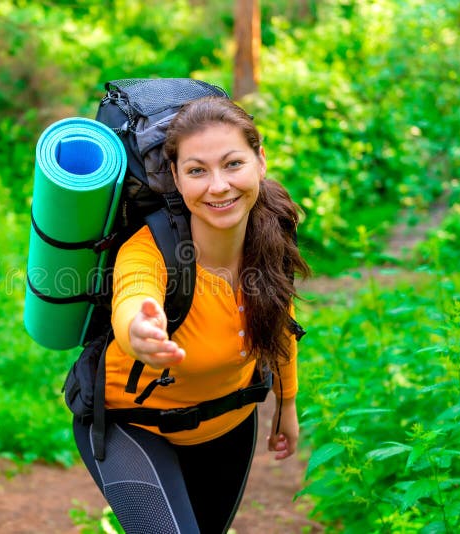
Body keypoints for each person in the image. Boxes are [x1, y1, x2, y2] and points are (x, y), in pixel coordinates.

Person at [73, 96, 311, 534]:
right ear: (177, 179)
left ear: (260, 160)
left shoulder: (270, 233)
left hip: (229, 423)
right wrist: (138, 330)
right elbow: (133, 295)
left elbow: (280, 320)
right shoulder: (151, 250)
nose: (218, 186)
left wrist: (287, 404)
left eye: (232, 163)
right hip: (131, 424)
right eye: (197, 170)